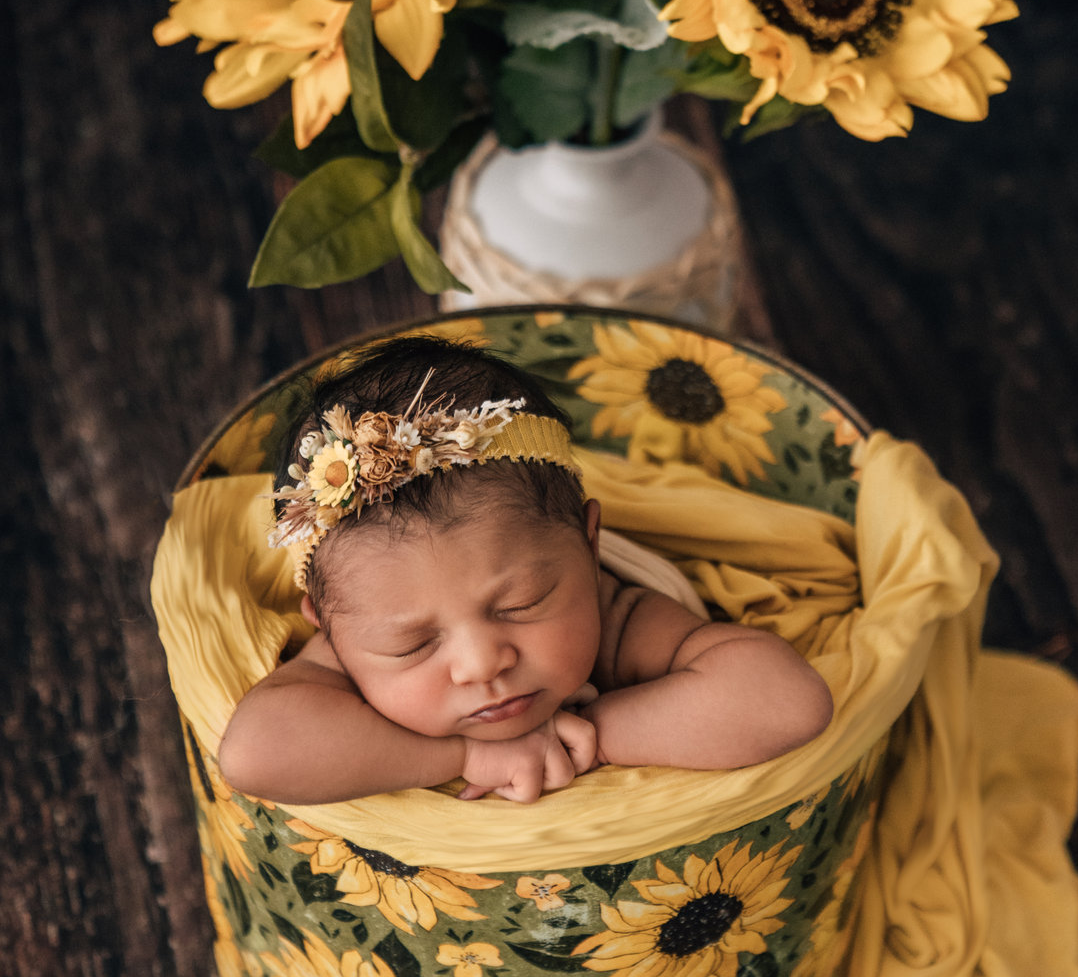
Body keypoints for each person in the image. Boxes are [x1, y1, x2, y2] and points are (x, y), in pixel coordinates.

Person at [219, 337, 833, 805]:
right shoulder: (354, 640)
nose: (482, 665)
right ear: (329, 626)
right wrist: (467, 754)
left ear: (589, 546)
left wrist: (589, 731)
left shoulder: (617, 616)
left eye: (520, 604)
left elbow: (786, 703)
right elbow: (255, 756)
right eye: (413, 644)